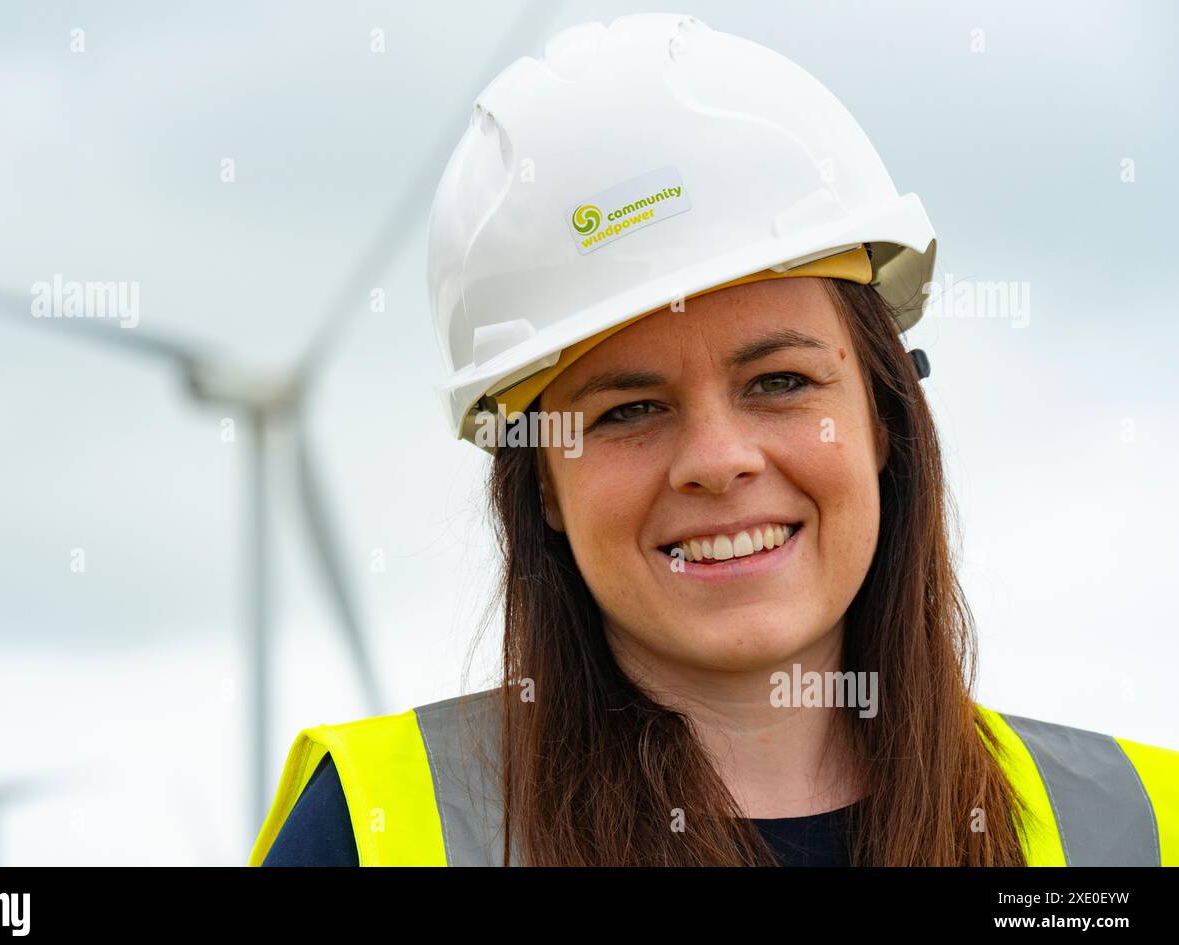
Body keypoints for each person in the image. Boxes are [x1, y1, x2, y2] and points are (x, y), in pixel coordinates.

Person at [250, 13, 1179, 867]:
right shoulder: (374, 833)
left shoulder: (1136, 830)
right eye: (627, 410)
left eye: (779, 383)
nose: (717, 460)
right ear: (541, 484)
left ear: (885, 418)